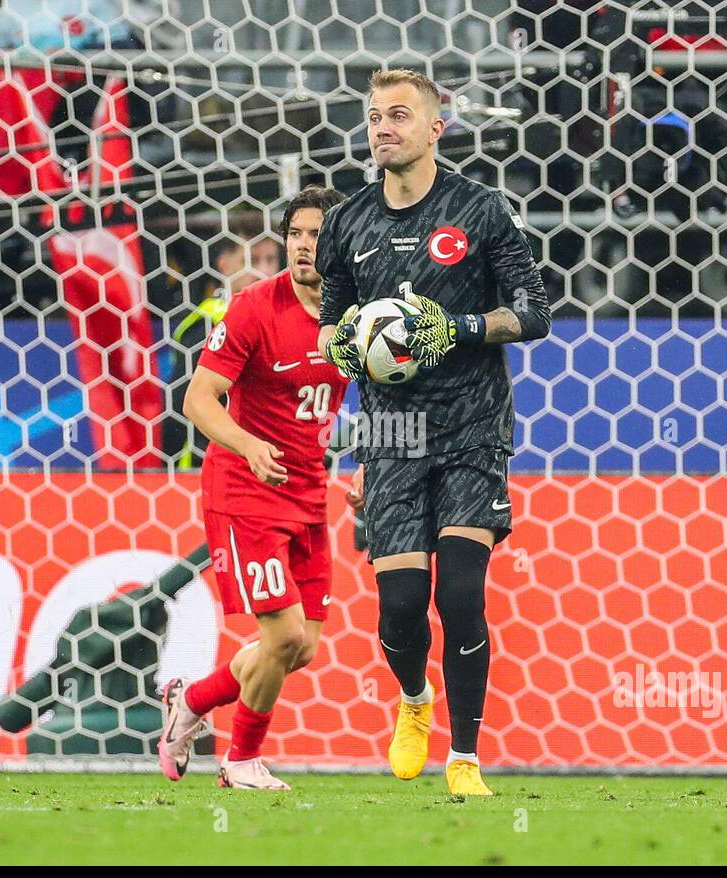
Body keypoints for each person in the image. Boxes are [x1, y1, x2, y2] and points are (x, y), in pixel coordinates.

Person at [316, 69, 552, 796]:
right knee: (400, 609)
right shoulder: (348, 221)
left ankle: (466, 757)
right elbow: (330, 320)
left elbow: (534, 312)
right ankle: (414, 699)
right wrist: (343, 348)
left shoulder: (480, 211)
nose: (382, 128)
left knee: (458, 595)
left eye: (397, 116)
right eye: (374, 117)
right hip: (390, 434)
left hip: (472, 426)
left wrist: (461, 327)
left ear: (433, 129)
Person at [158, 187, 348, 790]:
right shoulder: (253, 308)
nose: (303, 245)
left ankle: (190, 701)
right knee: (283, 635)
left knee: (302, 649)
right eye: (295, 234)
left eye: (316, 234)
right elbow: (197, 399)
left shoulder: (357, 315)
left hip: (308, 491)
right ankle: (240, 760)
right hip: (244, 490)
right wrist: (248, 444)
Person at [164, 232, 283, 468]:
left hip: (269, 462)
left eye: (270, 260)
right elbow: (179, 412)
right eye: (250, 260)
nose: (263, 272)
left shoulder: (285, 321)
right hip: (209, 465)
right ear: (224, 265)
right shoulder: (205, 325)